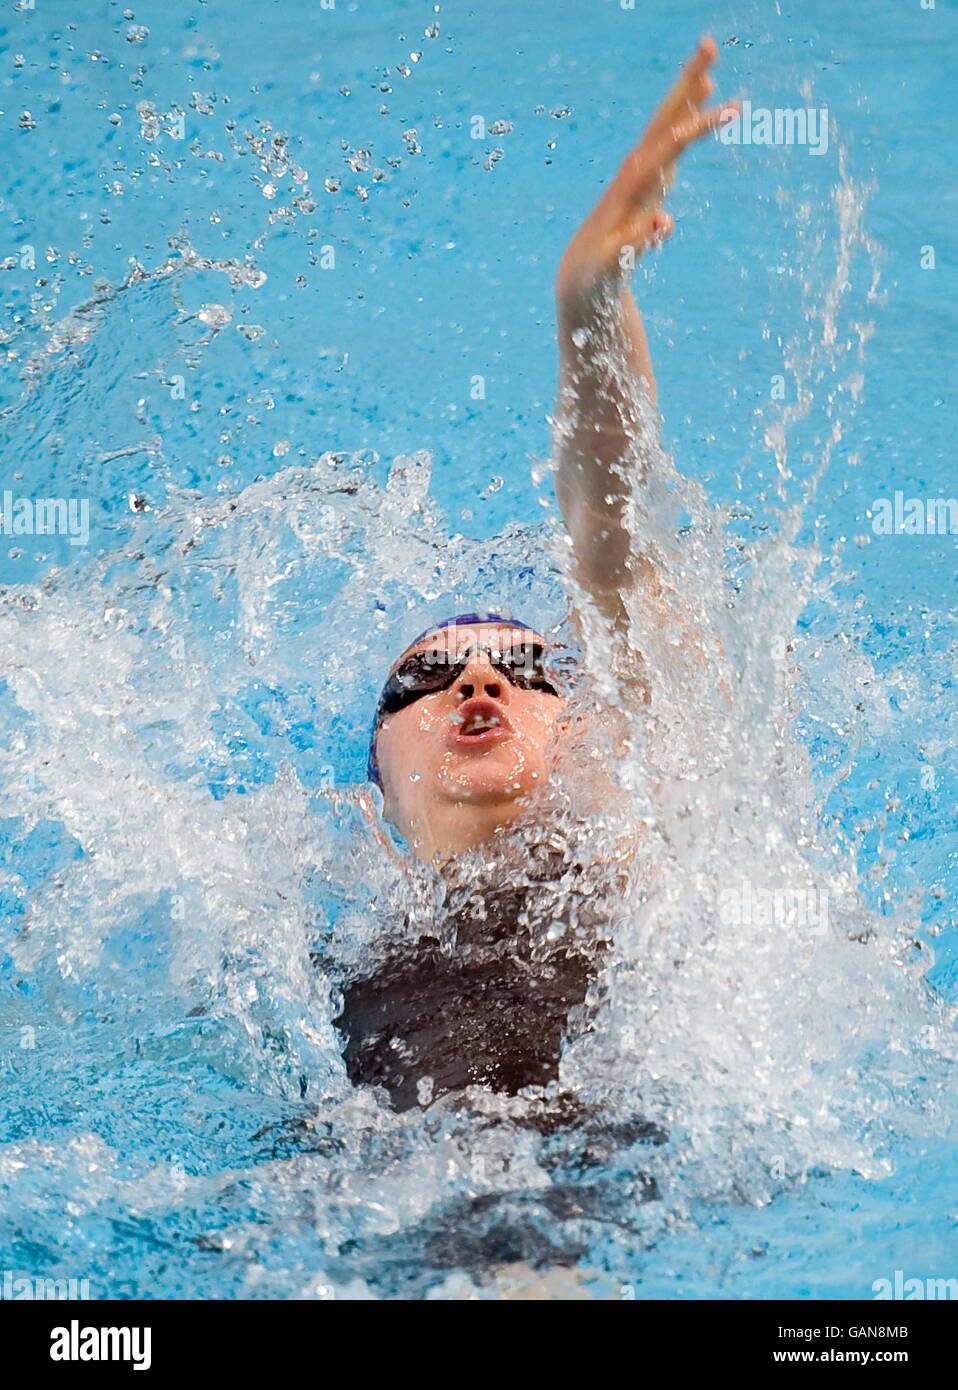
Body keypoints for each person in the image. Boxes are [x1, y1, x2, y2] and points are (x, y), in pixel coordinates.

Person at [334, 37, 739, 1116]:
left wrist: (589, 302)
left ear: (585, 727)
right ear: (371, 789)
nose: (479, 686)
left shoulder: (625, 836)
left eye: (522, 669)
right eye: (428, 680)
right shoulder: (322, 909)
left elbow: (608, 531)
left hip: (588, 1192)